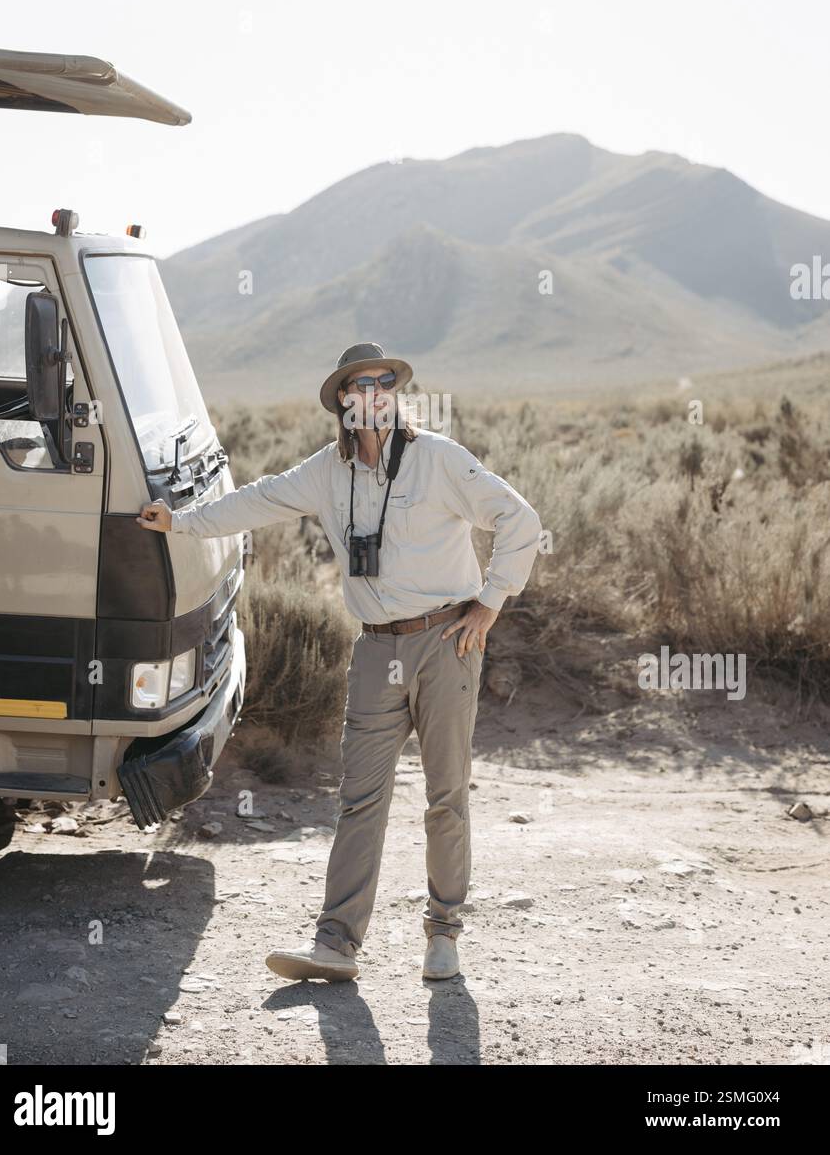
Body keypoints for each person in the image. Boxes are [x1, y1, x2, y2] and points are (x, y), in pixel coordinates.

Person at [137, 342, 542, 983]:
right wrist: (179, 522)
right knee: (360, 799)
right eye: (362, 384)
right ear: (344, 402)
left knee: (446, 796)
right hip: (377, 646)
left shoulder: (438, 459)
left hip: (447, 642)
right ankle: (336, 944)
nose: (376, 393)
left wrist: (489, 606)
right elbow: (255, 501)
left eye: (386, 382)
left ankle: (443, 933)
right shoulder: (328, 472)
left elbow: (519, 521)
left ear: (395, 394)